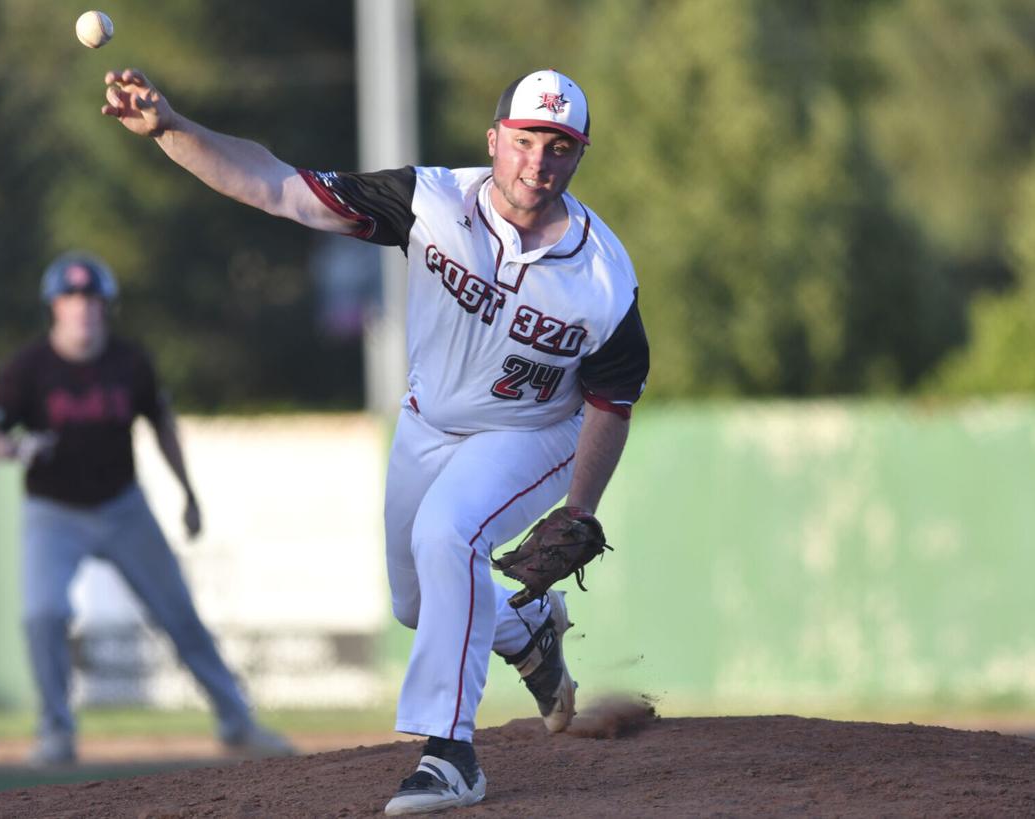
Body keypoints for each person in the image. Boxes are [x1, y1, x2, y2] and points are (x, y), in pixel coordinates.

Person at [101, 67, 649, 814]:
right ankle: (526, 631)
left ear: (578, 157)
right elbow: (276, 185)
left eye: (559, 147)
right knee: (417, 600)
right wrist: (171, 128)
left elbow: (612, 403)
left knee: (447, 531)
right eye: (525, 141)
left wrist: (579, 509)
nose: (537, 162)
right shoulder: (430, 201)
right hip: (429, 421)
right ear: (495, 140)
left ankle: (450, 752)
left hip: (533, 431)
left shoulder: (603, 277)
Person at [0, 252, 294, 767]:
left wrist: (187, 491)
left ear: (106, 307)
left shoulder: (128, 361)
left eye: (93, 299)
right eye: (72, 299)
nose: (83, 309)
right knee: (43, 614)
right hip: (53, 511)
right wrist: (15, 449)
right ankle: (56, 732)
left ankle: (238, 723)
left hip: (123, 507)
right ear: (54, 306)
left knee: (180, 615)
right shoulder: (28, 367)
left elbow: (161, 424)